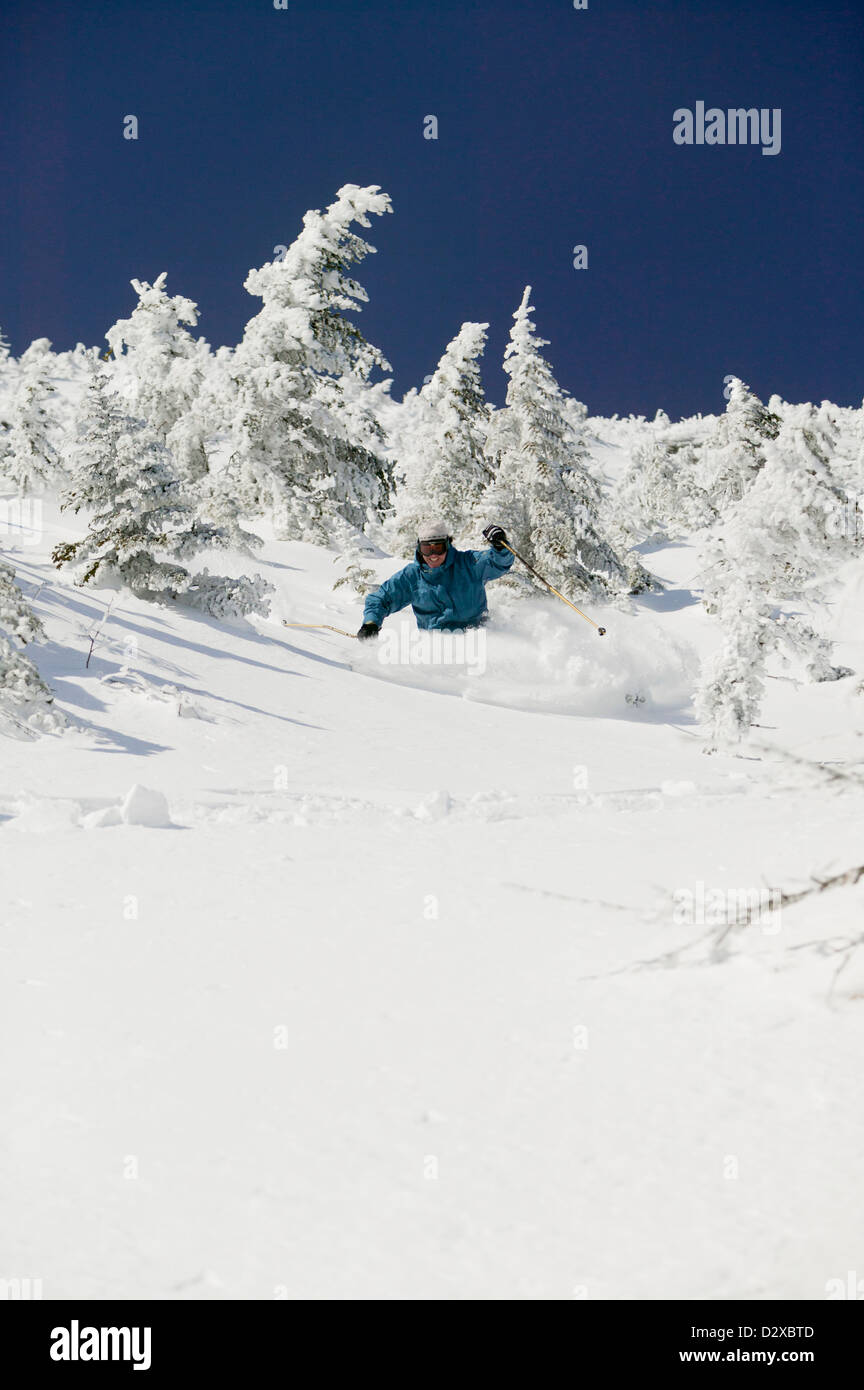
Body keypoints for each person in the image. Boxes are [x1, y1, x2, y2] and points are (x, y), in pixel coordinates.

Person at [357, 521, 515, 639]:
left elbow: (497, 563)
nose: (433, 555)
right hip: (437, 644)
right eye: (427, 549)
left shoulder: (469, 563)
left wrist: (500, 546)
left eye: (438, 548)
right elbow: (381, 599)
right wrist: (371, 623)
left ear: (447, 545)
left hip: (478, 637)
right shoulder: (412, 576)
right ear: (419, 549)